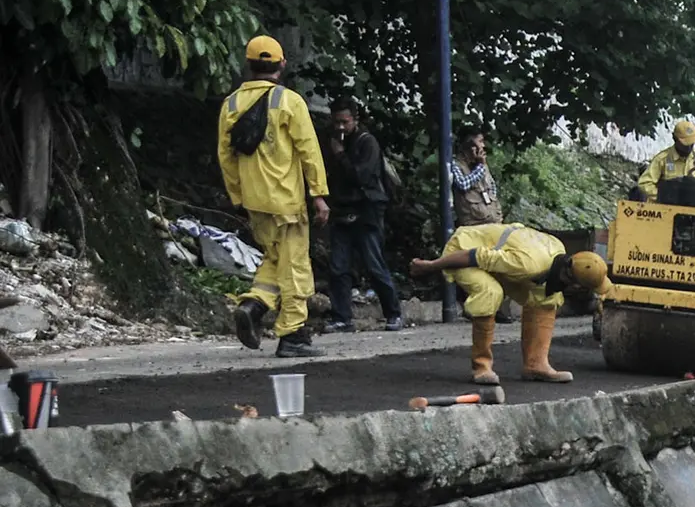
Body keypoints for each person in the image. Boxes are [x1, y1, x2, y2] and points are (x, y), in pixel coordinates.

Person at [216, 35, 329, 357]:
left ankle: (253, 305)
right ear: (281, 64)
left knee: (275, 258)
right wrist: (319, 194)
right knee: (294, 267)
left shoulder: (232, 105)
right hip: (287, 201)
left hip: (254, 201)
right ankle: (293, 335)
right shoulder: (289, 101)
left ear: (249, 65)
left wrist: (237, 196)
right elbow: (309, 151)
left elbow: (226, 157)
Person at [408, 224, 607, 385]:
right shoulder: (527, 265)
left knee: (548, 297)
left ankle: (536, 365)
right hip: (464, 249)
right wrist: (431, 265)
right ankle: (481, 367)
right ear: (572, 281)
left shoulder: (558, 251)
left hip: (499, 260)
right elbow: (475, 256)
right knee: (491, 292)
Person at [321, 99, 405, 333]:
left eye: (344, 122)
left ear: (355, 120)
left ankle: (393, 313)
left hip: (366, 210)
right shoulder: (332, 141)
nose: (340, 127)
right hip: (342, 209)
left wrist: (340, 157)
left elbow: (362, 176)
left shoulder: (367, 143)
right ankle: (342, 317)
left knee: (373, 263)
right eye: (336, 122)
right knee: (338, 266)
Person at [634, 120, 695, 200]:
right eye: (685, 145)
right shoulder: (662, 159)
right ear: (675, 139)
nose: (689, 148)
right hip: (665, 209)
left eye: (691, 144)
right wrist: (663, 197)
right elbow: (644, 183)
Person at [450, 129, 501, 226]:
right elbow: (462, 184)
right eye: (480, 141)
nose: (483, 146)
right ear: (470, 146)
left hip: (494, 222)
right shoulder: (456, 164)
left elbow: (492, 186)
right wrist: (481, 167)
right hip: (473, 226)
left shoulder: (480, 163)